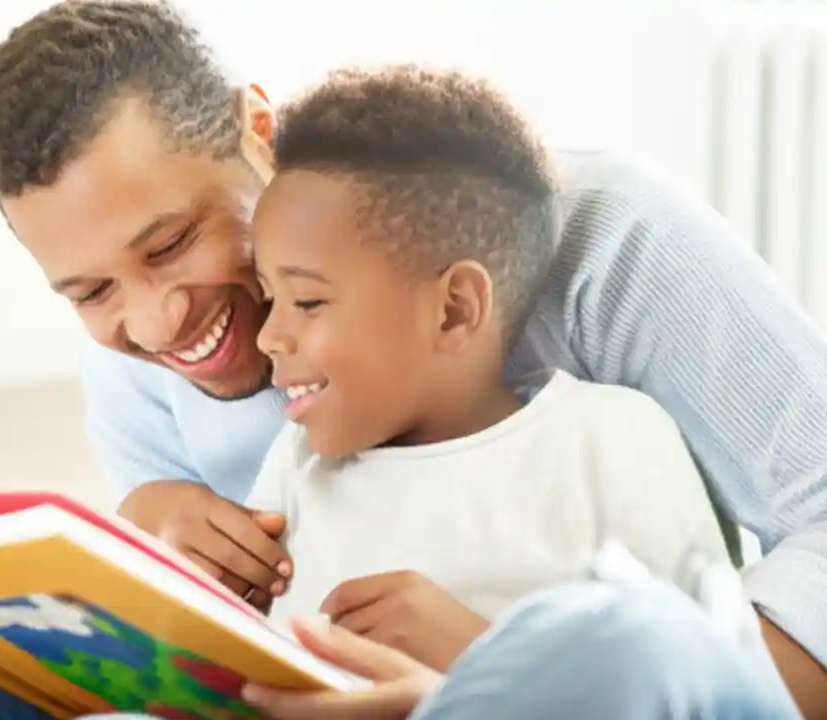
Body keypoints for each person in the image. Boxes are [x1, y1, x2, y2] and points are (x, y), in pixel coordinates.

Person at [0, 0, 827, 716]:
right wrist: (143, 541)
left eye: (172, 242)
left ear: (257, 126)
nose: (152, 330)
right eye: (90, 292)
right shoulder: (140, 357)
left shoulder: (591, 243)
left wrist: (487, 689)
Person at [243, 64, 730, 652]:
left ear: (453, 310)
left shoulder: (606, 440)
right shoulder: (295, 462)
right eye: (270, 299)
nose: (268, 337)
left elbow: (698, 680)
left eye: (307, 301)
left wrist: (480, 658)